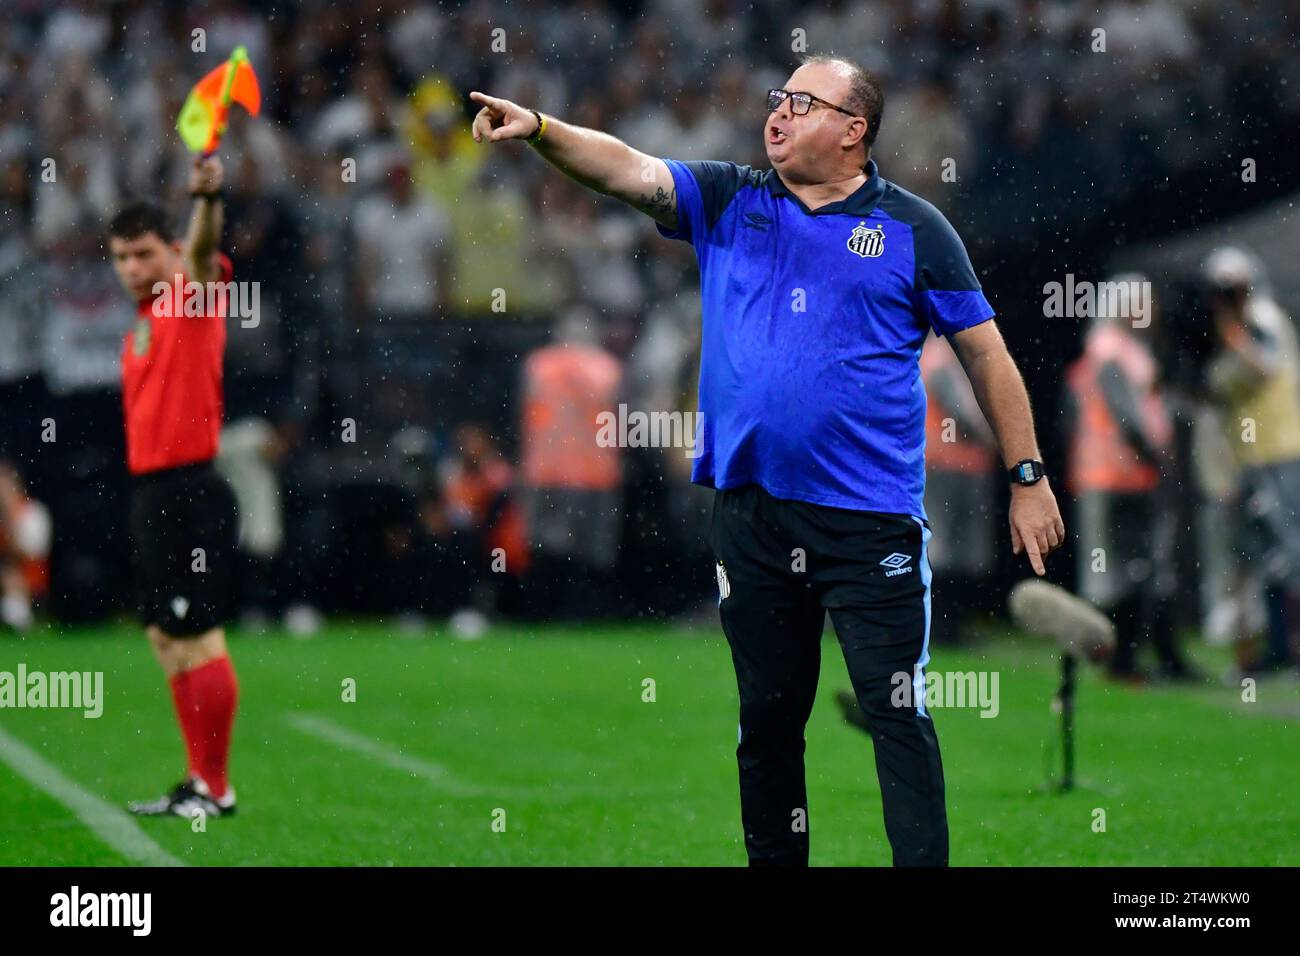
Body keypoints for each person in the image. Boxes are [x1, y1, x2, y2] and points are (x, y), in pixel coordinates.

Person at [470, 53, 1064, 867]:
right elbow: (629, 169)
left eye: (803, 102)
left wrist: (1027, 477)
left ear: (854, 131)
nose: (778, 113)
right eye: (778, 98)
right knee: (768, 724)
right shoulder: (731, 200)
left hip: (871, 523)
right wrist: (540, 128)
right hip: (750, 514)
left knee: (897, 714)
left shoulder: (916, 230)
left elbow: (988, 357)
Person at [107, 157, 240, 819]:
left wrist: (205, 199)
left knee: (199, 635)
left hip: (191, 489)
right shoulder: (141, 319)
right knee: (166, 637)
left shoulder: (193, 293)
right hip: (152, 493)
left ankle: (217, 787)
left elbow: (207, 249)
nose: (132, 267)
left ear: (170, 249)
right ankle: (196, 779)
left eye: (142, 253)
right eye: (121, 257)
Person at [1064, 275, 1194, 682]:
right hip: (1110, 474)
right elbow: (1125, 414)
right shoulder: (1108, 349)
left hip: (1128, 474)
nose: (1150, 311)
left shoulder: (1127, 349)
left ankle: (1150, 658)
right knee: (1116, 572)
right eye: (1143, 303)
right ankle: (1118, 661)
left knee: (1142, 569)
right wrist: (1154, 454)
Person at [1202, 247, 1300, 676]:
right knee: (1269, 558)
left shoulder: (1261, 322)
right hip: (1256, 456)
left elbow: (1265, 369)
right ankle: (1279, 648)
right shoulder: (1241, 328)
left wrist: (1232, 337)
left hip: (1279, 452)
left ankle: (1290, 648)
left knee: (1290, 551)